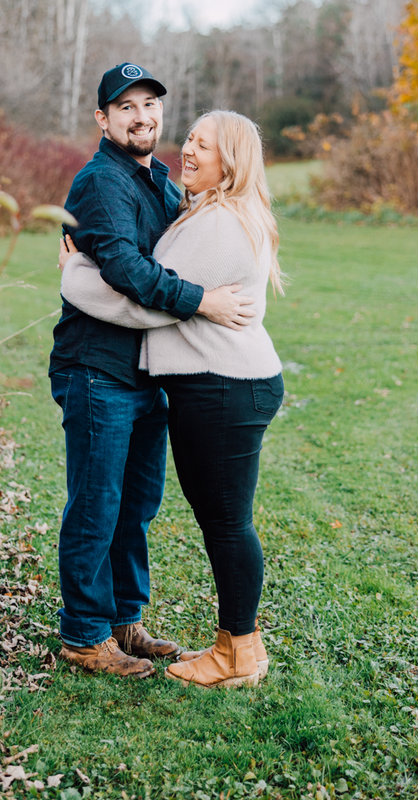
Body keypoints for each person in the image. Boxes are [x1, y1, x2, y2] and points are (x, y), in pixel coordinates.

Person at [58, 110, 285, 688]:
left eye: (204, 146)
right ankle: (231, 647)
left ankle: (237, 651)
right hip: (214, 385)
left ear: (229, 162)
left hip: (222, 389)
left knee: (226, 523)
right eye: (191, 139)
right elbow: (158, 285)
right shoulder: (202, 209)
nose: (189, 150)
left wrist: (72, 275)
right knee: (217, 520)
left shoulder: (218, 225)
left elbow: (144, 300)